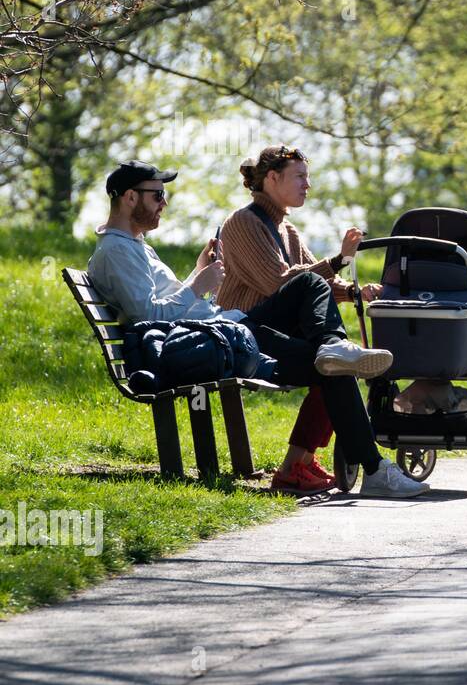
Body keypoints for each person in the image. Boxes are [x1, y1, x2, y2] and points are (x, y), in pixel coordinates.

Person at [86, 159, 428, 498]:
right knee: (333, 364)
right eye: (157, 195)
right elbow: (149, 315)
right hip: (216, 341)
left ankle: (333, 351)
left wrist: (197, 272)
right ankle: (372, 467)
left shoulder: (135, 245)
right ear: (131, 198)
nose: (164, 203)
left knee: (312, 294)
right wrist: (197, 286)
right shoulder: (117, 251)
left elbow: (164, 304)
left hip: (225, 330)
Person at [216, 145, 384, 493]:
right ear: (273, 178)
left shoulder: (288, 231)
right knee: (332, 354)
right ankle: (375, 469)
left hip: (273, 333)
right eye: (300, 176)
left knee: (334, 364)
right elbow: (281, 282)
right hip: (243, 334)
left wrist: (355, 293)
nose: (308, 184)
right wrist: (338, 260)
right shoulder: (242, 223)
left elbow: (316, 285)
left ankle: (295, 467)